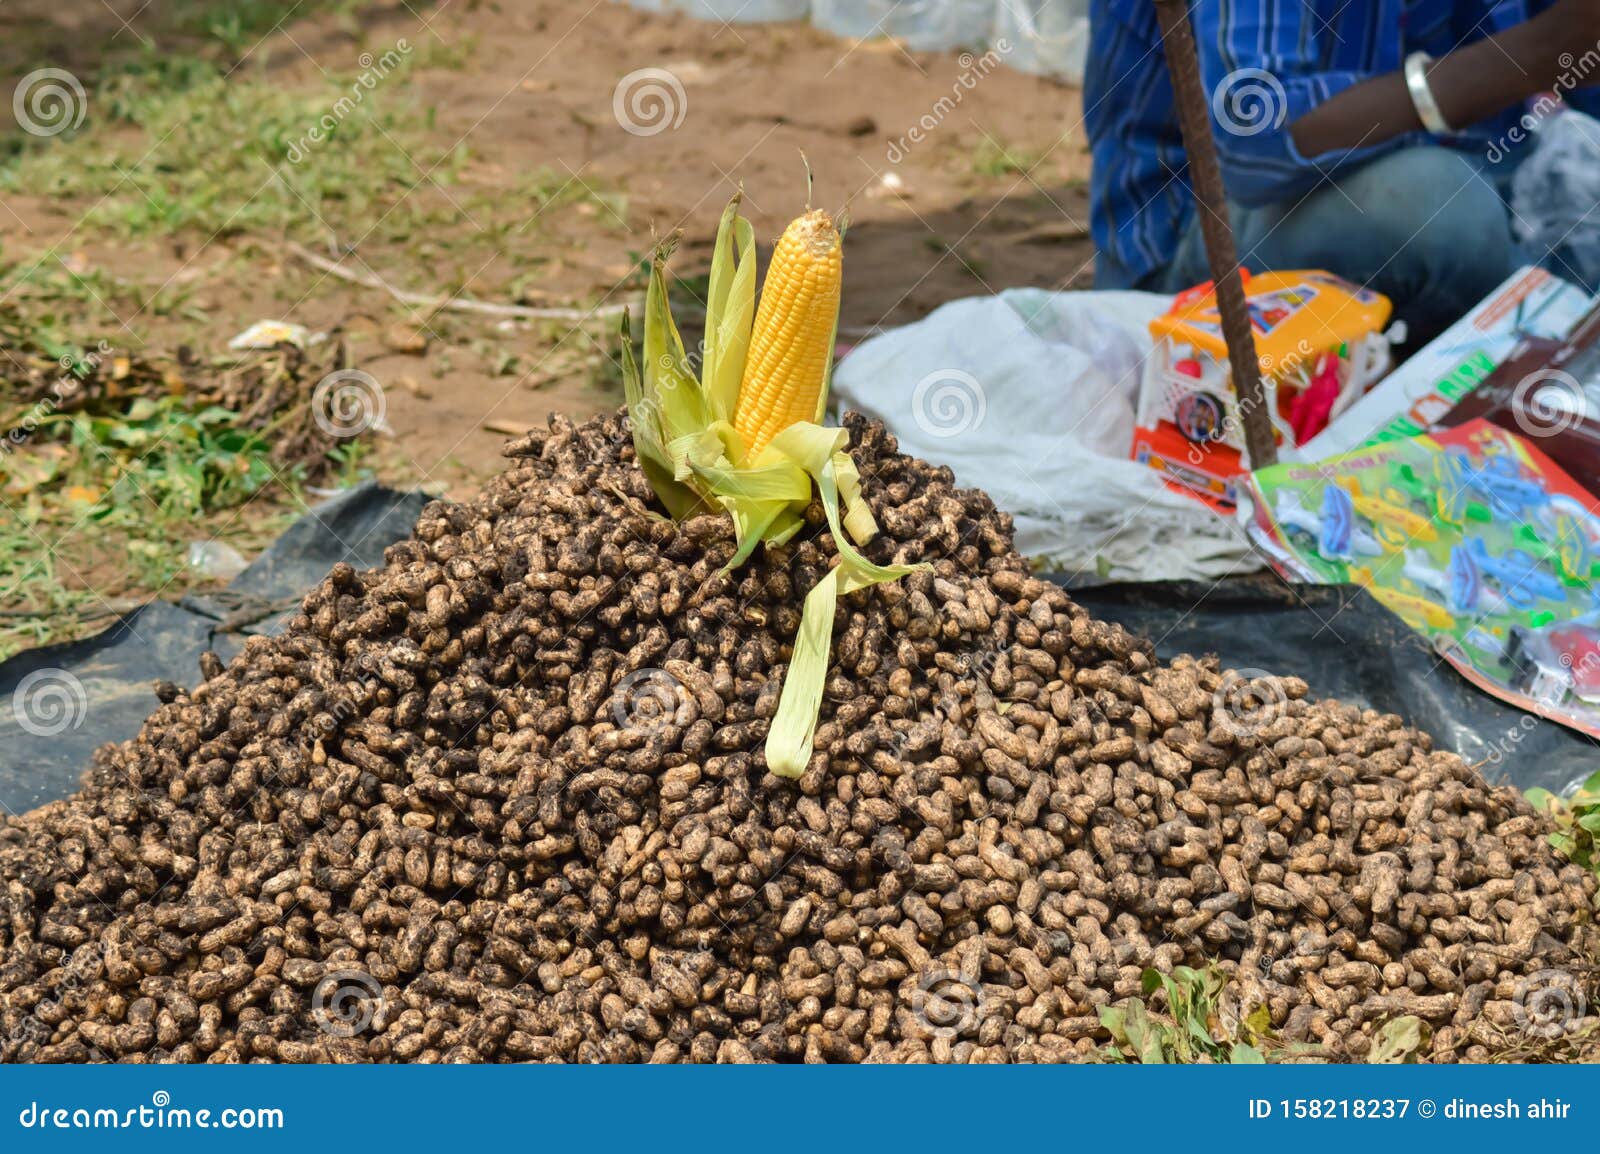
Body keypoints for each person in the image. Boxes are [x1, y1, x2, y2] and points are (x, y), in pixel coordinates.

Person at [1084, 0, 1600, 342]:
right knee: (1439, 207)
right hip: (1198, 236)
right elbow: (1256, 142)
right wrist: (1535, 53)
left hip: (1466, 175)